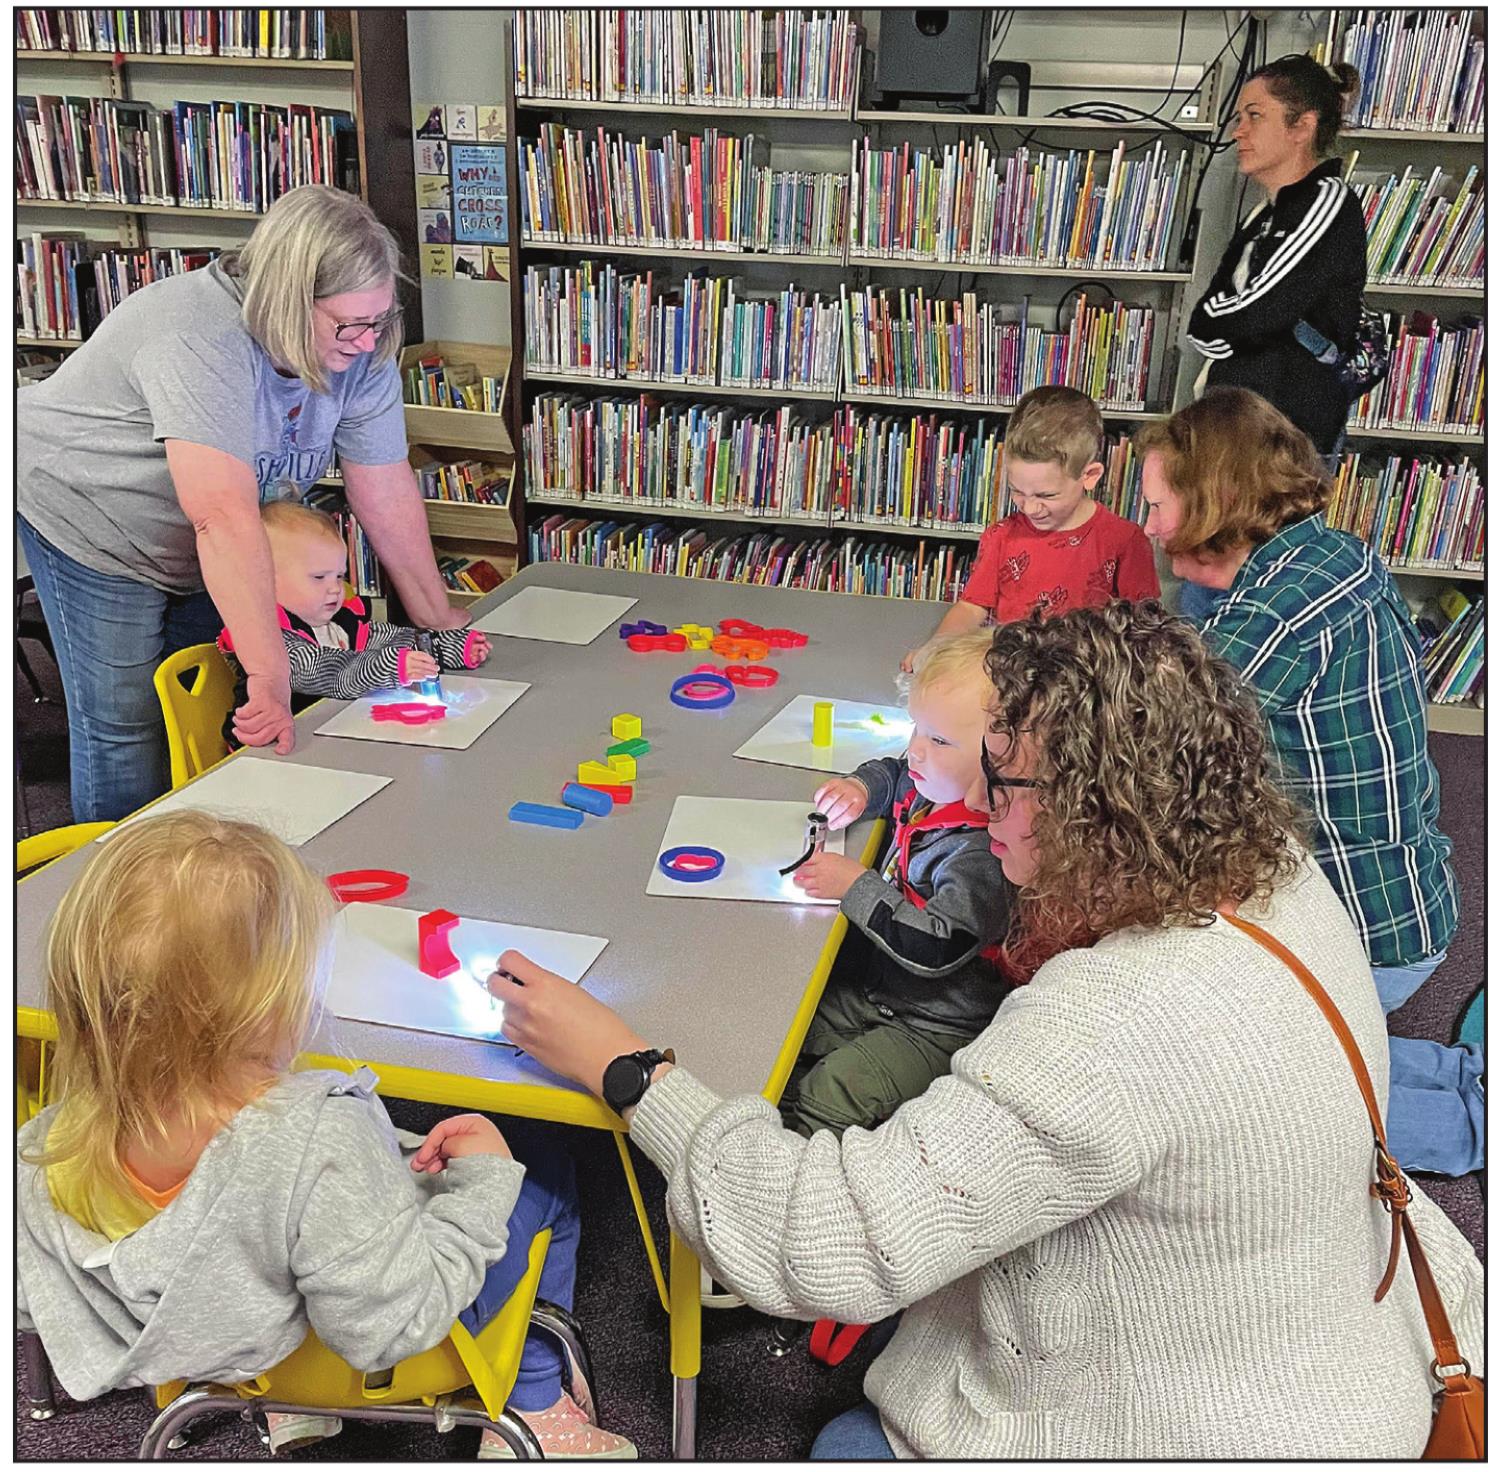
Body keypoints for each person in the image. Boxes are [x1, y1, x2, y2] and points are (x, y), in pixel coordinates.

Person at [486, 600, 1483, 1458]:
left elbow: (822, 1246)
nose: (970, 799)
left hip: (1210, 1419)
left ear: (1096, 807)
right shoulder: (1273, 864)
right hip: (1334, 1315)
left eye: (1002, 778)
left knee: (852, 1435)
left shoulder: (1114, 1017)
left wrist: (628, 1070)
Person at [15, 812, 635, 1460]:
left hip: (238, 1347)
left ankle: (289, 1405)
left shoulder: (48, 1146)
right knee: (543, 1167)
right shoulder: (318, 1134)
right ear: (268, 1007)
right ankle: (534, 1405)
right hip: (393, 1344)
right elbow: (394, 1324)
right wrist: (478, 1183)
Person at [17, 184, 470, 824]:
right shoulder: (196, 337)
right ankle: (118, 901)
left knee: (212, 704)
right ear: (287, 300)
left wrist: (437, 617)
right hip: (93, 516)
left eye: (381, 321)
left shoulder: (362, 343)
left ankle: (206, 869)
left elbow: (384, 482)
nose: (368, 344)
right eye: (350, 325)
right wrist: (272, 669)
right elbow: (222, 518)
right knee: (128, 722)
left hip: (214, 533)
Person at [1138, 388, 1475, 1177]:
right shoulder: (1324, 553)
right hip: (1409, 894)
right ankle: (1458, 1079)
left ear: (1213, 499)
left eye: (1157, 505)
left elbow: (1149, 752)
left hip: (1365, 926)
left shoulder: (1279, 614)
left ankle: (1466, 1129)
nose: (1148, 527)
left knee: (1233, 1093)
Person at [786, 630, 1017, 1138]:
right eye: (916, 729)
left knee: (828, 1097)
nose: (915, 751)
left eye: (937, 740)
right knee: (783, 1038)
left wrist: (856, 886)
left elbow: (935, 946)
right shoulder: (931, 780)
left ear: (999, 758)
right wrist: (859, 788)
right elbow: (893, 773)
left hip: (938, 1026)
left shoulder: (983, 852)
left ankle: (798, 1189)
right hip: (882, 991)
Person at [1186, 55, 1366, 462]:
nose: (1238, 133)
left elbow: (1261, 308)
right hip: (1238, 414)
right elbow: (1207, 316)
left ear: (1302, 126)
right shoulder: (1264, 213)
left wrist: (1219, 323)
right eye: (1238, 118)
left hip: (1285, 430)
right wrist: (1219, 323)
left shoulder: (1327, 200)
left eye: (1254, 116)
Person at [903, 386, 1158, 671]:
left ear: (1090, 476)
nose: (1029, 508)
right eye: (1017, 492)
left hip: (1085, 692)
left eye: (1046, 496)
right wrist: (936, 649)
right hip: (1011, 679)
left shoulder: (1125, 541)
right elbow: (972, 607)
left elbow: (1144, 632)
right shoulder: (1001, 536)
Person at [217, 500, 492, 746]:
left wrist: (449, 647)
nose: (336, 588)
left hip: (330, 734)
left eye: (338, 576)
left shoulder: (336, 621)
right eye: (319, 578)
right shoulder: (267, 637)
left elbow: (391, 638)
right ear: (266, 580)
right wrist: (391, 667)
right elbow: (329, 671)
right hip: (272, 754)